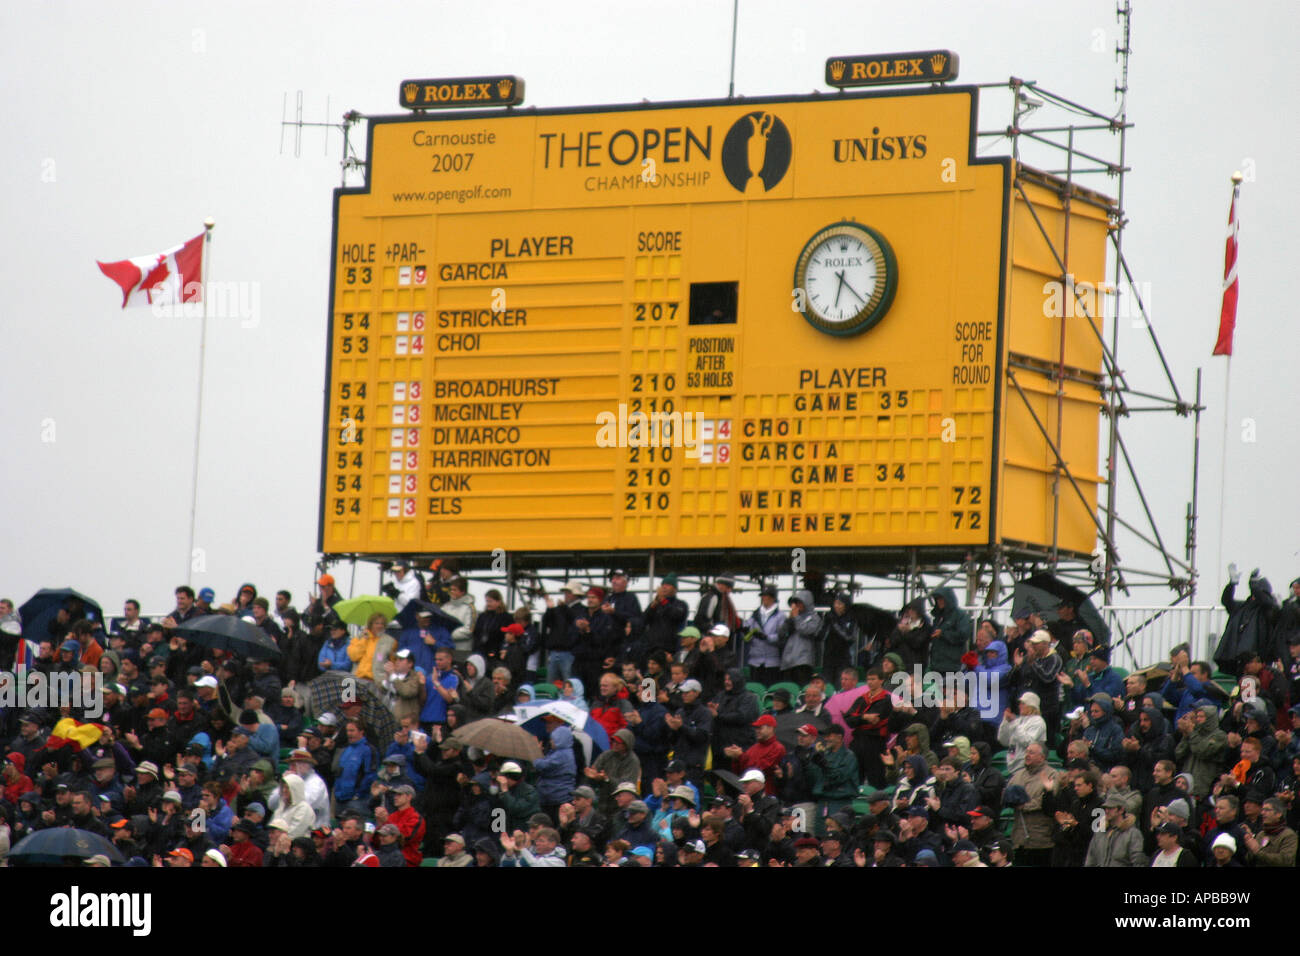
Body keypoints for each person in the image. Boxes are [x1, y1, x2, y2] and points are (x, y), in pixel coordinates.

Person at [743, 585, 785, 685]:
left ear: (773, 598)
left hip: (772, 662)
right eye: (763, 596)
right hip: (755, 661)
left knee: (769, 690)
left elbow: (781, 636)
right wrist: (746, 631)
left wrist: (766, 637)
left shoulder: (780, 616)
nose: (765, 598)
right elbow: (747, 629)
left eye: (768, 596)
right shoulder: (755, 614)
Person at [779, 590, 822, 687]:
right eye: (795, 603)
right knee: (788, 688)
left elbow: (806, 630)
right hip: (788, 661)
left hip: (803, 661)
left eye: (799, 602)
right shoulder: (793, 617)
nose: (797, 605)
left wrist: (796, 617)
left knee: (802, 687)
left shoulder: (815, 618)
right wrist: (789, 620)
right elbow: (781, 633)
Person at [998, 692, 1047, 777]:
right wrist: (1005, 722)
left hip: (1028, 768)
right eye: (1020, 703)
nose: (1020, 706)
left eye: (1023, 703)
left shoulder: (1038, 722)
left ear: (1031, 705)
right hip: (1012, 767)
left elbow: (1028, 742)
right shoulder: (1018, 721)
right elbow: (1004, 741)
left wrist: (1014, 723)